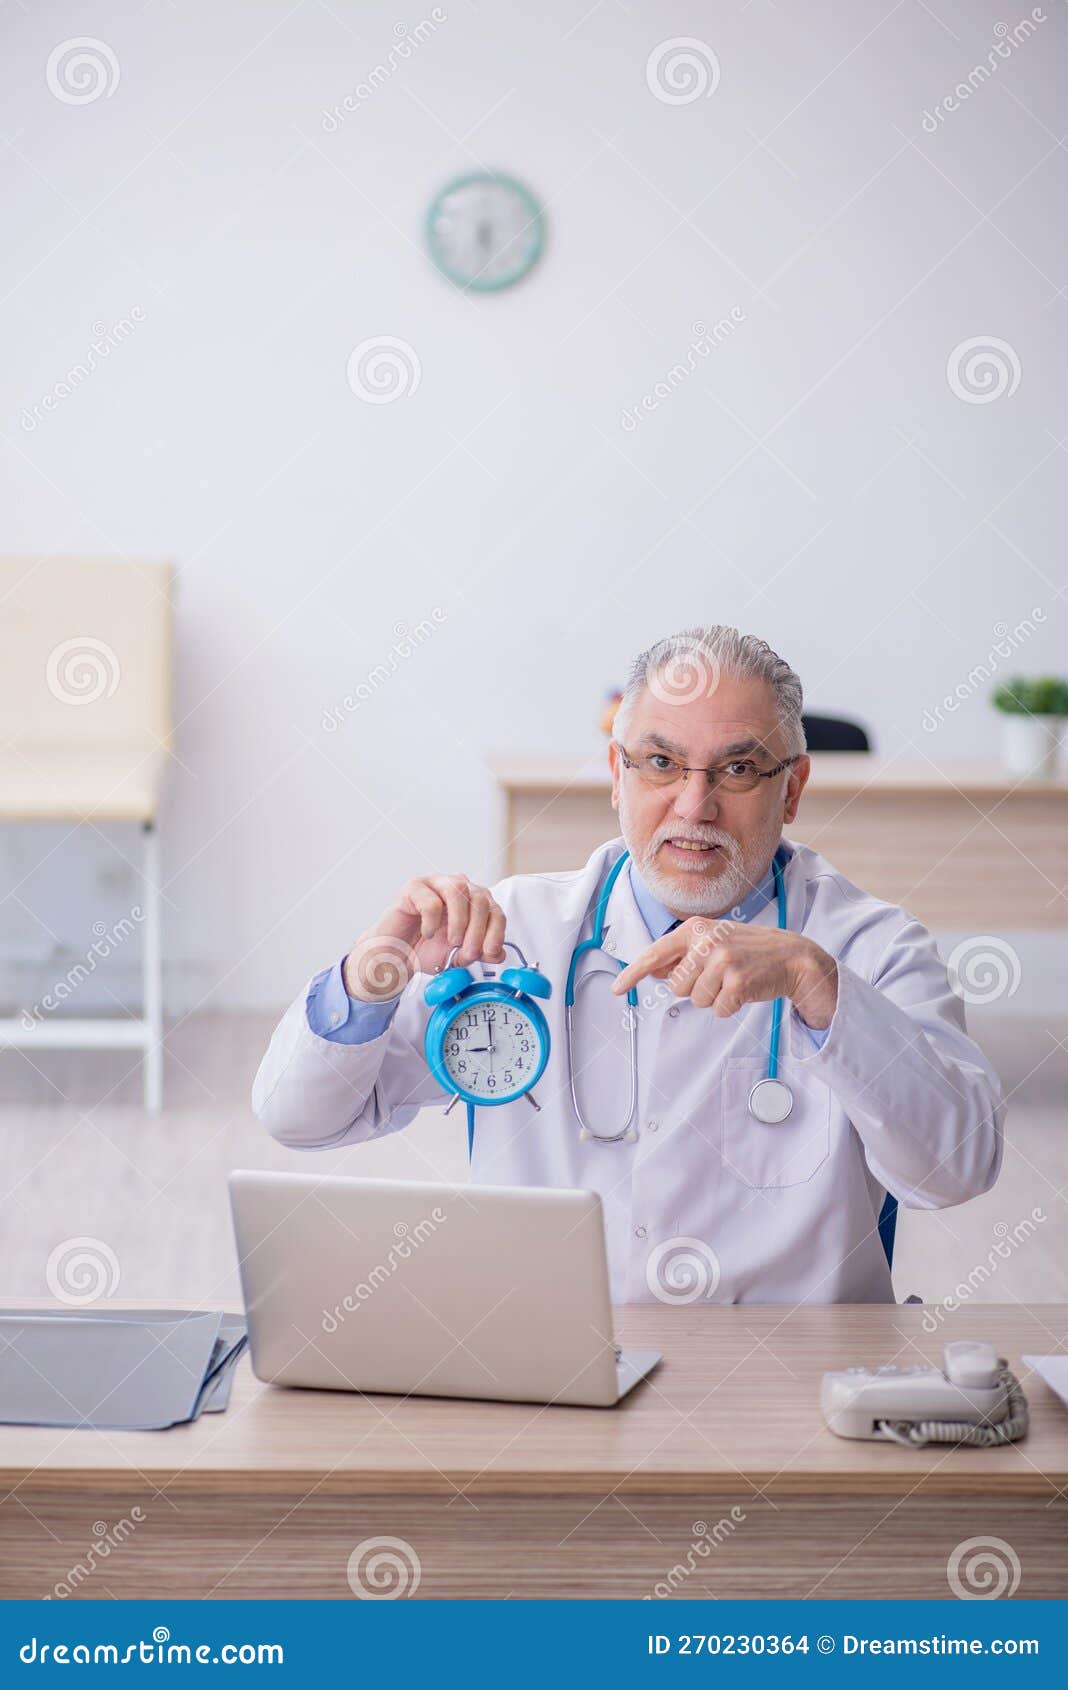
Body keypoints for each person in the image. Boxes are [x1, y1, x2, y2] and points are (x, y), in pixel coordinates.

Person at [253, 626, 1003, 1303]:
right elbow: (297, 1119)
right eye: (661, 764)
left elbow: (957, 1170)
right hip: (554, 1359)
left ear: (793, 789)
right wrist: (374, 971)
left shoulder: (873, 946)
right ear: (618, 774)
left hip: (788, 1376)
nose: (694, 805)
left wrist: (819, 987)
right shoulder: (512, 932)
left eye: (739, 768)